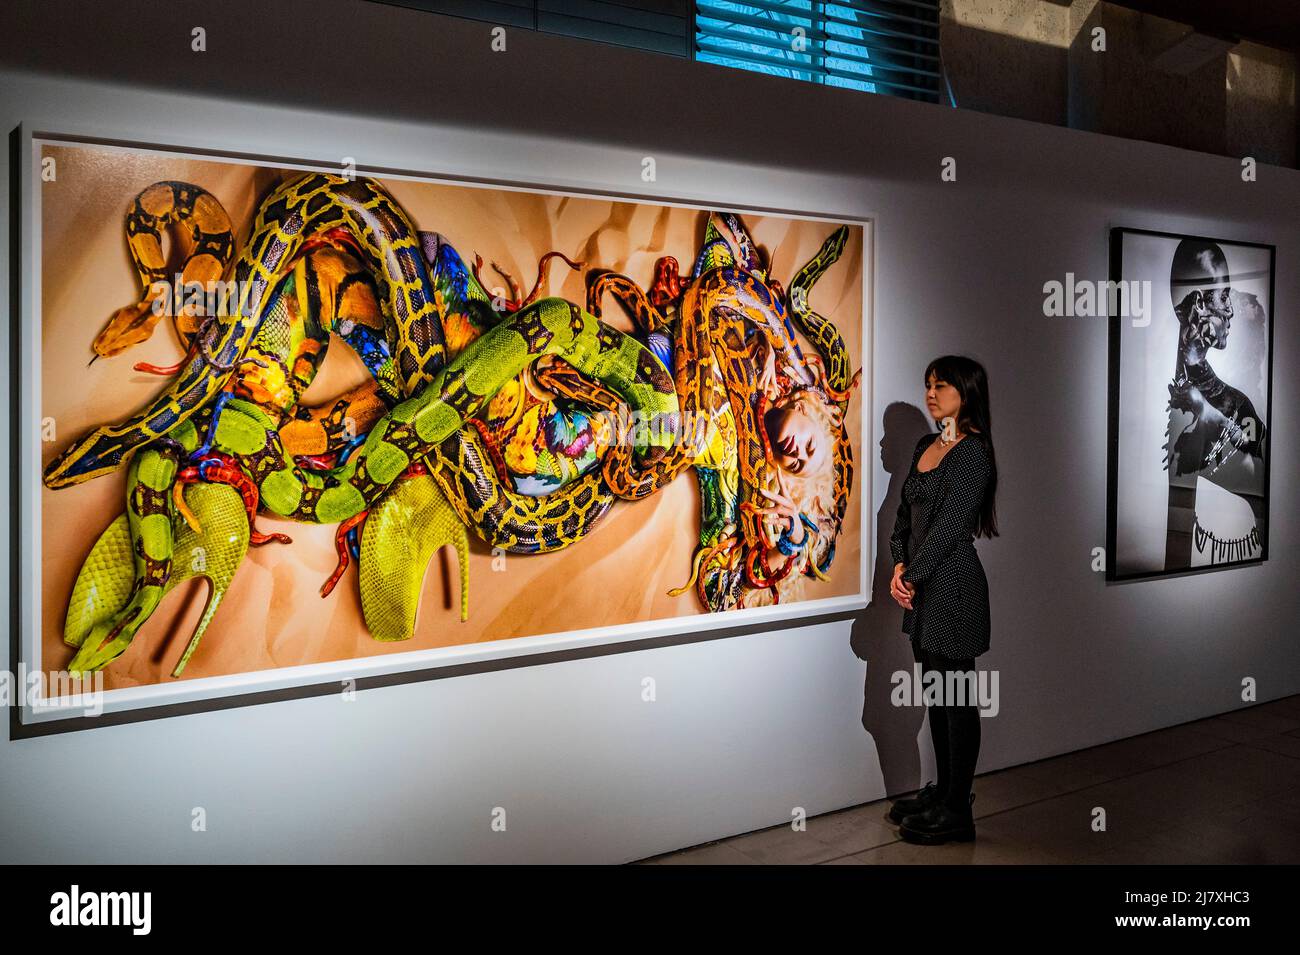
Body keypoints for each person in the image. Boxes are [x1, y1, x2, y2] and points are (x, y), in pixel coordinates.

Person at [885, 355, 998, 844]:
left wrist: (912, 575)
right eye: (928, 385)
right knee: (936, 693)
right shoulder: (925, 446)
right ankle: (945, 791)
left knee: (957, 699)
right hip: (921, 587)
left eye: (942, 385)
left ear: (966, 392)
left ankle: (958, 808)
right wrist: (897, 566)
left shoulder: (973, 454)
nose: (931, 393)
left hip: (952, 588)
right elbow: (904, 521)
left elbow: (951, 528)